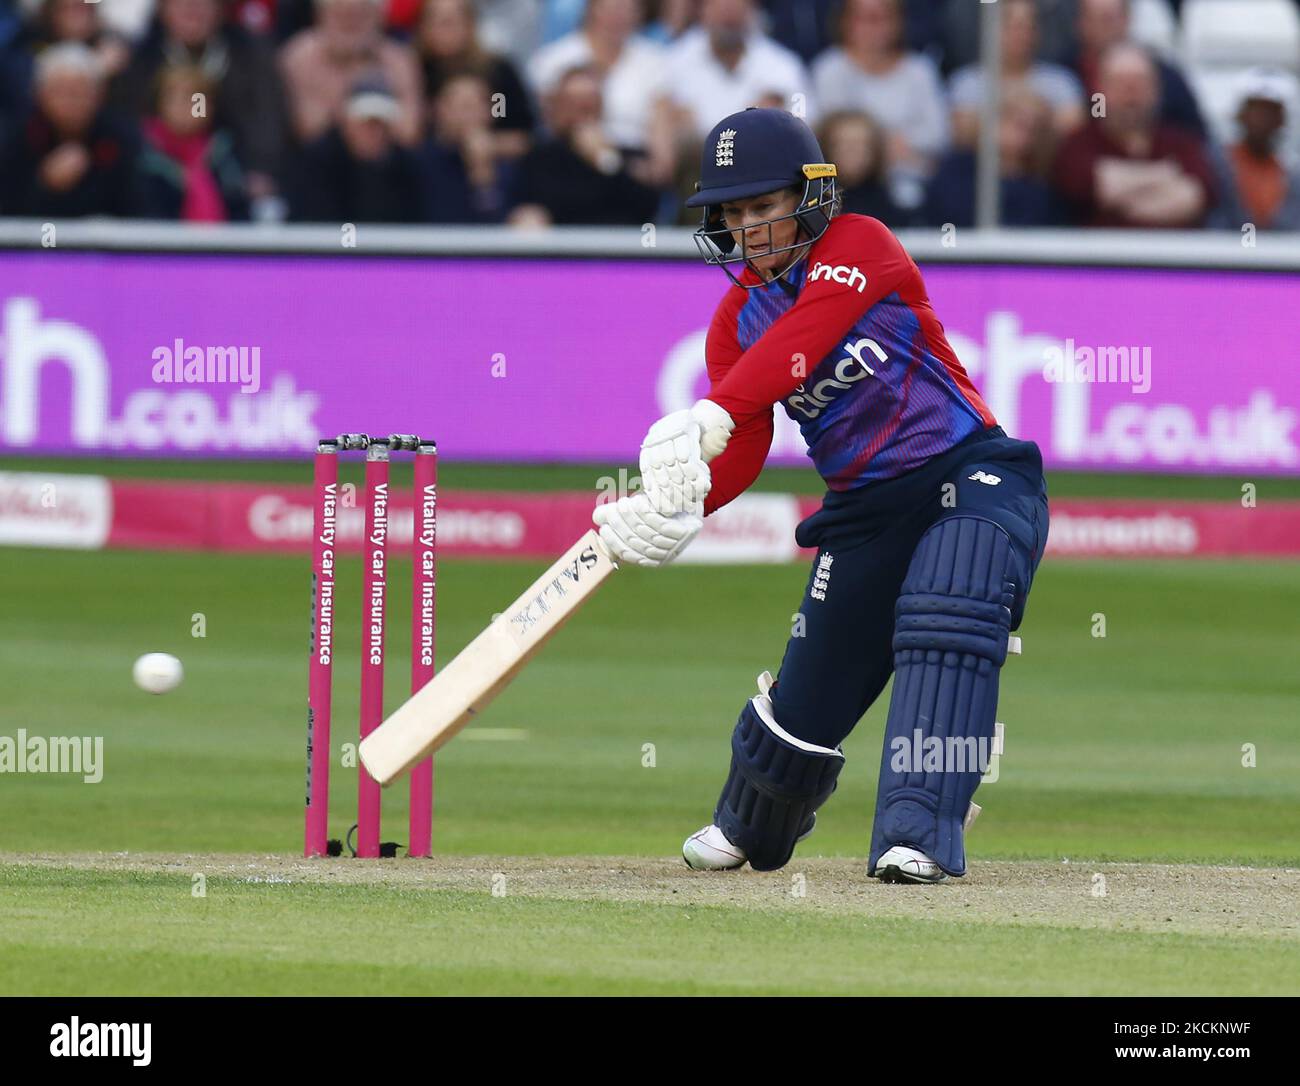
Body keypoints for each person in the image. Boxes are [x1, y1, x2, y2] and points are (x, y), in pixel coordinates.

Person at [593, 107, 1049, 884]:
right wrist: (679, 506)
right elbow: (742, 447)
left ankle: (920, 830)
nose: (749, 231)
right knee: (802, 711)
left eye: (763, 208)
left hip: (971, 478)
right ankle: (750, 821)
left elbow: (804, 342)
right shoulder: (737, 319)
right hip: (864, 513)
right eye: (732, 214)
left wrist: (711, 409)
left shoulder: (860, 245)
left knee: (950, 607)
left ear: (810, 197)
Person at [1052, 42, 1214, 228]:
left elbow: (1193, 198)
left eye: (1139, 82)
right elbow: (1095, 187)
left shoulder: (1183, 143)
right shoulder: (1079, 144)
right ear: (1100, 91)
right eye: (1120, 83)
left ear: (1156, 89)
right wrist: (1165, 173)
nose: (1131, 93)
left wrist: (1122, 195)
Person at [1, 42, 142, 217]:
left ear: (100, 94)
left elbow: (138, 209)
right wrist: (44, 184)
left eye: (80, 92)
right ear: (40, 94)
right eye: (62, 92)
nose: (72, 102)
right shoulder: (19, 138)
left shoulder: (121, 138)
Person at [507, 65, 659, 226]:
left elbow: (646, 210)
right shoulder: (538, 157)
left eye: (590, 103)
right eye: (573, 103)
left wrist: (607, 160)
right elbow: (551, 205)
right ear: (556, 107)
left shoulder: (629, 155)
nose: (583, 112)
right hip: (560, 247)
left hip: (618, 245)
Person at [138, 63, 249, 220]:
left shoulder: (223, 153)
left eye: (197, 101)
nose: (188, 109)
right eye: (176, 100)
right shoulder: (143, 151)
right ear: (160, 104)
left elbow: (239, 207)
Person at [1223, 69, 1300, 231]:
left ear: (1281, 119)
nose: (1262, 120)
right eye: (1256, 110)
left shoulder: (1289, 173)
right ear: (1242, 114)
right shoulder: (1220, 165)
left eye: (1270, 112)